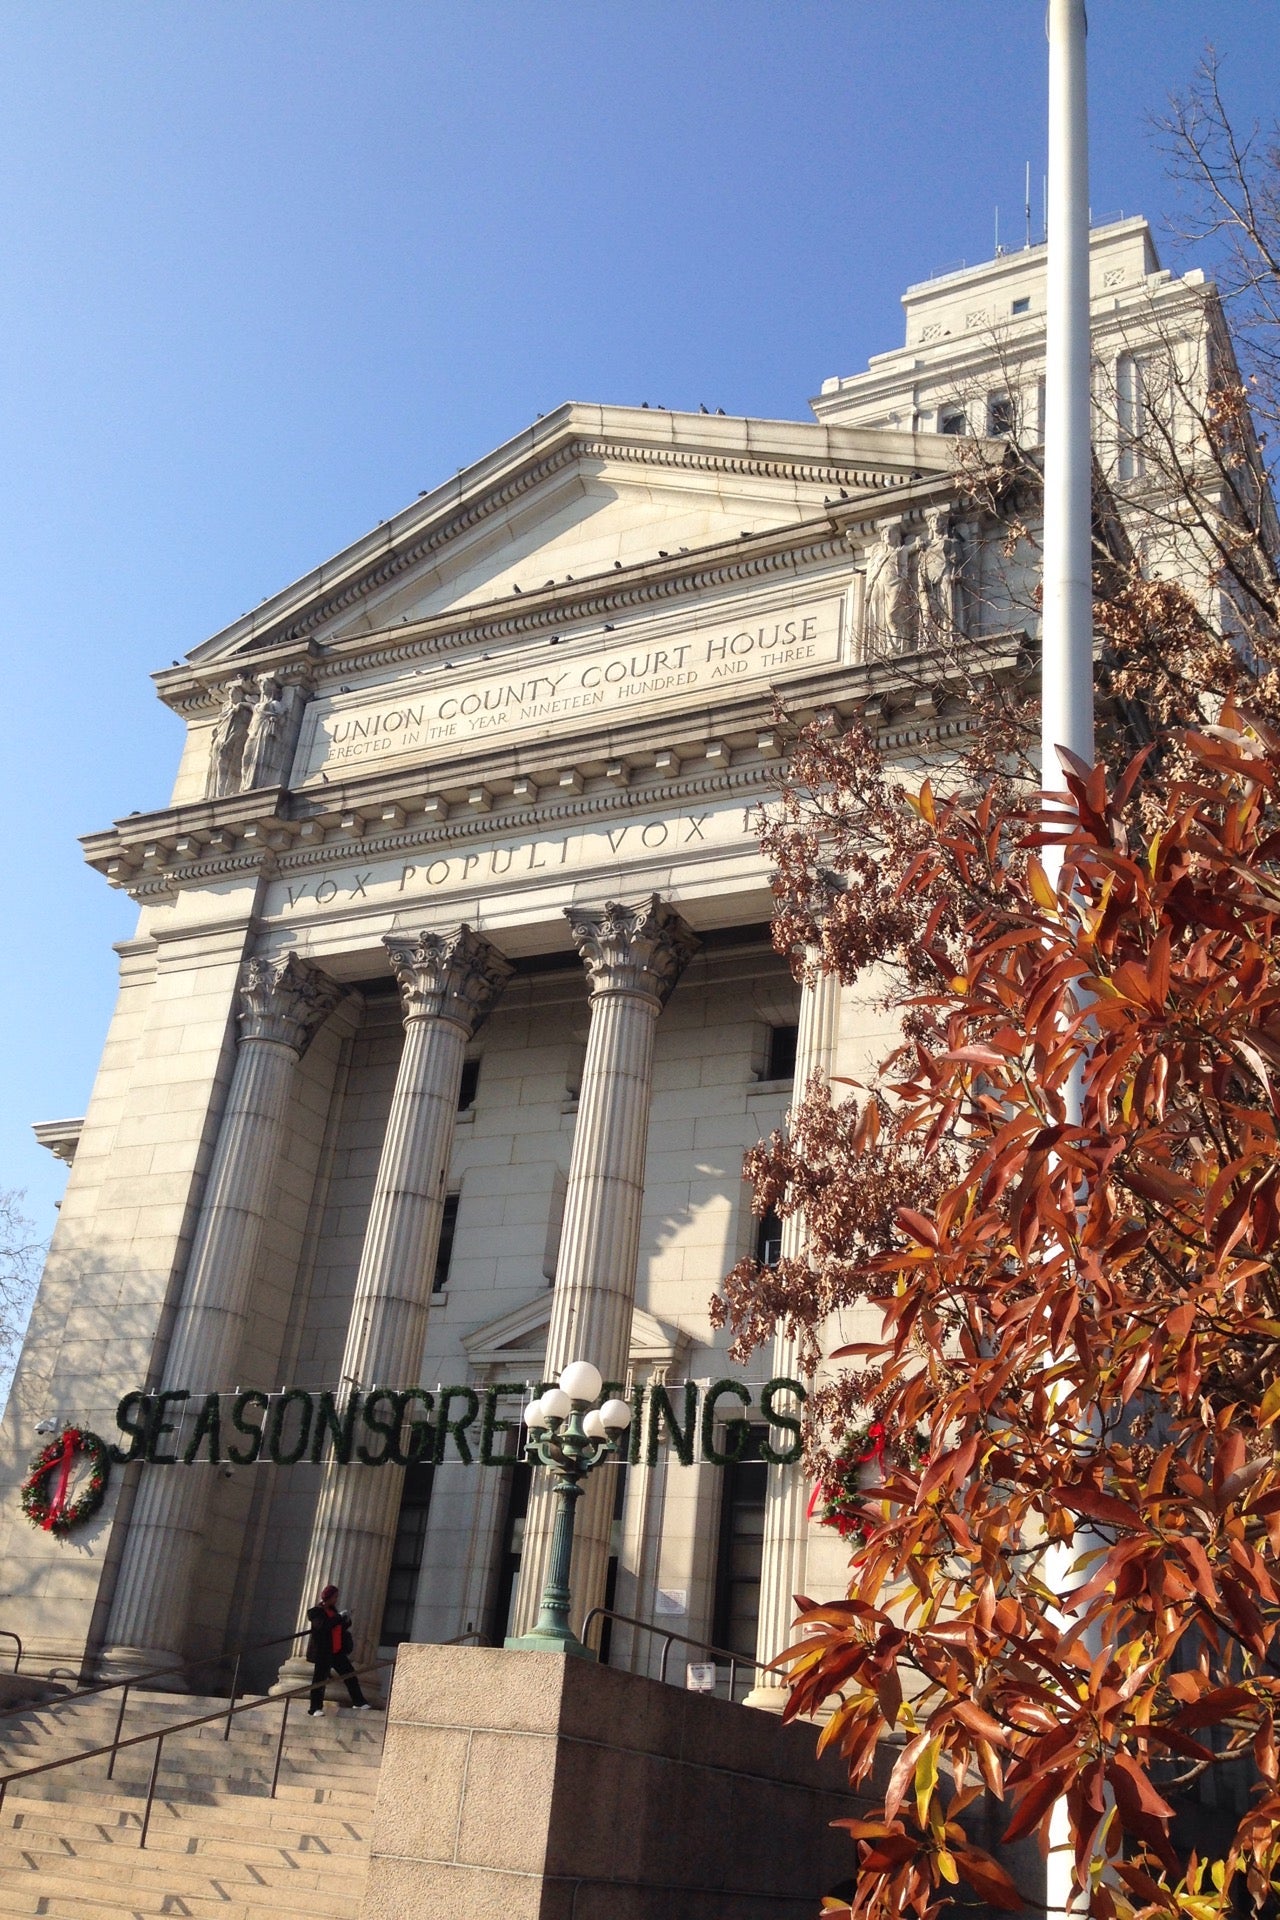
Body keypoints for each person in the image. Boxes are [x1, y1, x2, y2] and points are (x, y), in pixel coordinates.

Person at [305, 1583, 371, 1715]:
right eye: (335, 1597)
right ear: (328, 1597)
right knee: (319, 1680)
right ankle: (315, 1708)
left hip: (337, 1651)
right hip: (324, 1651)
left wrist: (345, 1620)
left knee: (350, 1675)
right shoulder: (317, 1612)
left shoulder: (333, 1611)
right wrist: (339, 1617)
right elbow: (324, 1626)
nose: (336, 1599)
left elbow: (339, 1627)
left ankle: (359, 1702)